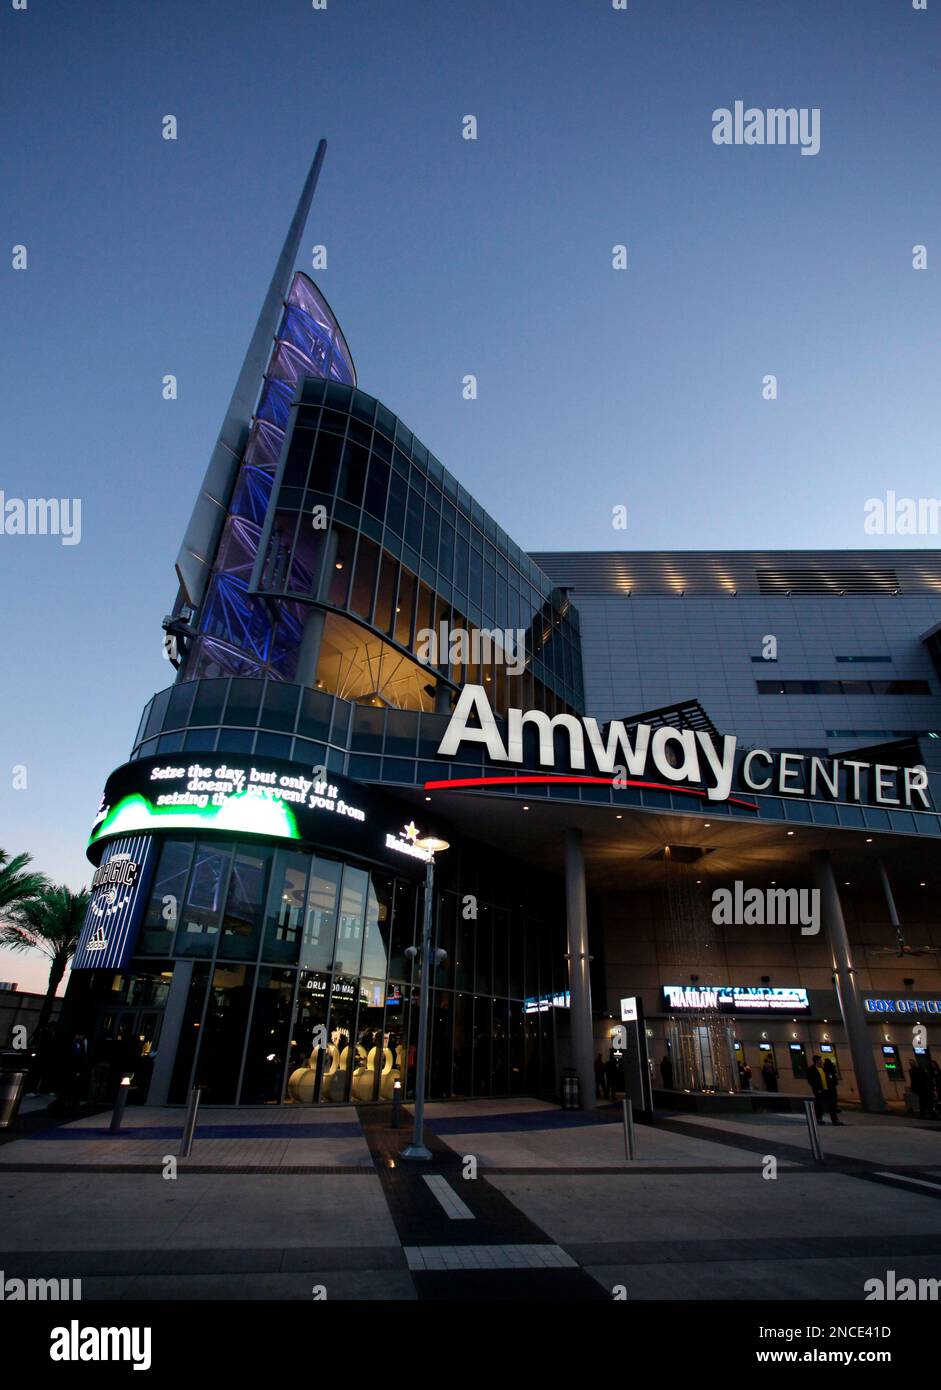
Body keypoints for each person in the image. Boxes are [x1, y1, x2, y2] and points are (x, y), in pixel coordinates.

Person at [807, 1054, 829, 1121]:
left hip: (826, 1089)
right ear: (817, 1061)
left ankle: (834, 1119)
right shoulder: (811, 1069)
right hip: (818, 1089)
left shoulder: (823, 1069)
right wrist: (816, 1088)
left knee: (830, 1104)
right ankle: (819, 1118)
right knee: (819, 1104)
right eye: (820, 1060)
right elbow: (810, 1080)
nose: (821, 1061)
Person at [822, 1055, 842, 1124]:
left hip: (828, 1085)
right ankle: (834, 1108)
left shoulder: (825, 1068)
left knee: (831, 1098)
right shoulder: (831, 1067)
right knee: (833, 1097)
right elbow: (834, 1075)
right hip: (831, 1085)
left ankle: (833, 1109)